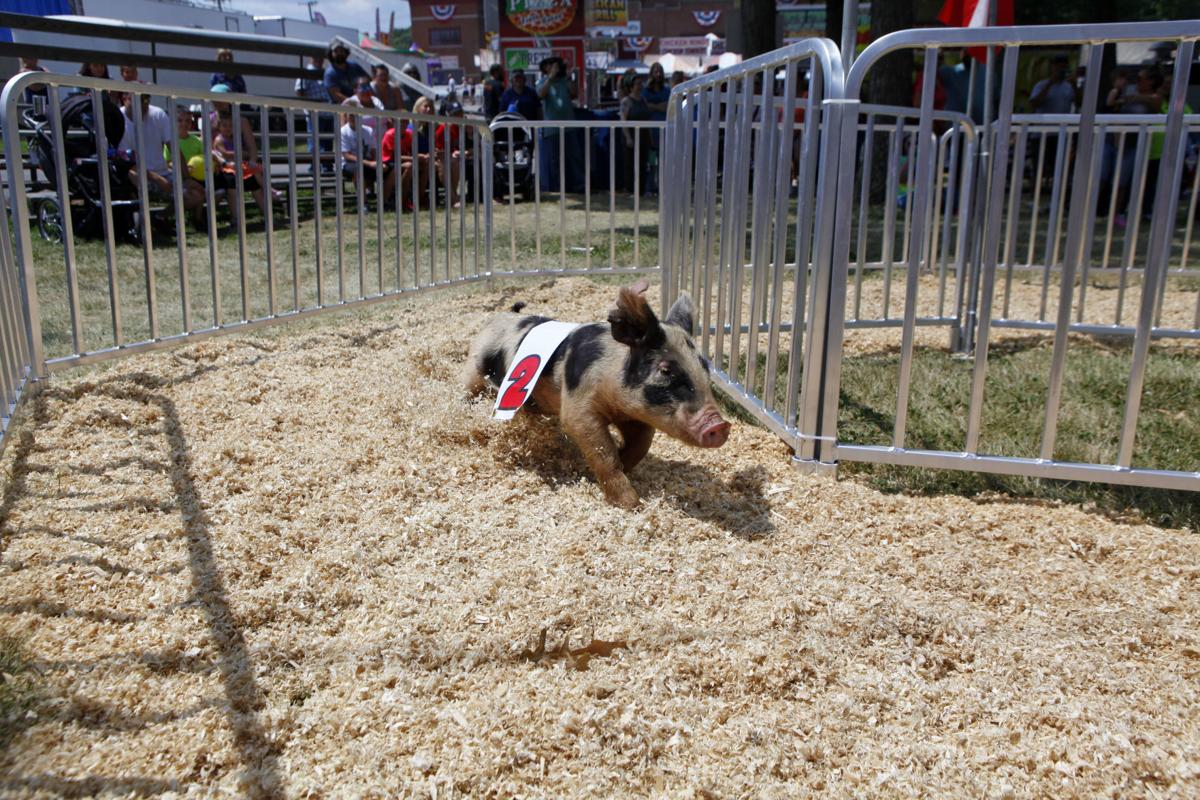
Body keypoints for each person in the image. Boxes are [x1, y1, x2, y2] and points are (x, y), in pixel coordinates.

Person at [118, 94, 205, 215]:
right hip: (137, 174)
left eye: (146, 100)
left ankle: (160, 217)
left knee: (198, 193)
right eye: (138, 100)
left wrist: (186, 179)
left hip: (163, 173)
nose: (143, 104)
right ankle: (142, 219)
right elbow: (126, 162)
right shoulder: (118, 119)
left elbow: (174, 149)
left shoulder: (158, 114)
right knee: (134, 177)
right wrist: (157, 179)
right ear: (125, 99)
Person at [213, 112, 271, 218]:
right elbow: (225, 153)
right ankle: (236, 218)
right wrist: (241, 153)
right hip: (225, 170)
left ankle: (267, 213)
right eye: (224, 125)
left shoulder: (235, 139)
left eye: (231, 126)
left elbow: (244, 154)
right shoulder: (219, 139)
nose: (228, 128)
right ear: (219, 127)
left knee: (254, 183)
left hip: (238, 168)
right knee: (232, 187)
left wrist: (242, 154)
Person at [162, 104, 208, 226]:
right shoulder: (170, 141)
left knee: (203, 190)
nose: (184, 124)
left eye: (187, 121)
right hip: (178, 176)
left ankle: (197, 219)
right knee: (195, 192)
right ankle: (167, 217)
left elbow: (202, 158)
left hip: (197, 176)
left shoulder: (196, 141)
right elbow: (167, 162)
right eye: (180, 120)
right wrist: (183, 168)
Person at [537, 57, 578, 192]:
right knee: (556, 160)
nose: (555, 67)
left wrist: (568, 76)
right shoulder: (543, 81)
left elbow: (574, 93)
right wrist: (551, 77)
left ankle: (572, 185)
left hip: (569, 126)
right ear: (546, 68)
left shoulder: (564, 81)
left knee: (570, 158)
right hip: (552, 128)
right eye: (551, 65)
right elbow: (541, 94)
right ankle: (557, 187)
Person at [296, 54, 334, 160]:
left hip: (328, 112)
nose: (319, 59)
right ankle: (314, 169)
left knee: (327, 143)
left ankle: (326, 167)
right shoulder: (307, 71)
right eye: (316, 57)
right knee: (315, 142)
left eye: (321, 57)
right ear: (311, 58)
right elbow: (299, 90)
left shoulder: (325, 72)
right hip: (315, 113)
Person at [339, 107, 382, 197]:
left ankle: (385, 199)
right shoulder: (343, 132)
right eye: (351, 115)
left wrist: (376, 163)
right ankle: (363, 203)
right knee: (358, 170)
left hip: (366, 162)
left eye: (357, 115)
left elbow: (373, 150)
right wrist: (369, 163)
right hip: (347, 164)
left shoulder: (368, 130)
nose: (354, 117)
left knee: (387, 168)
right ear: (346, 117)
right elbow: (347, 156)